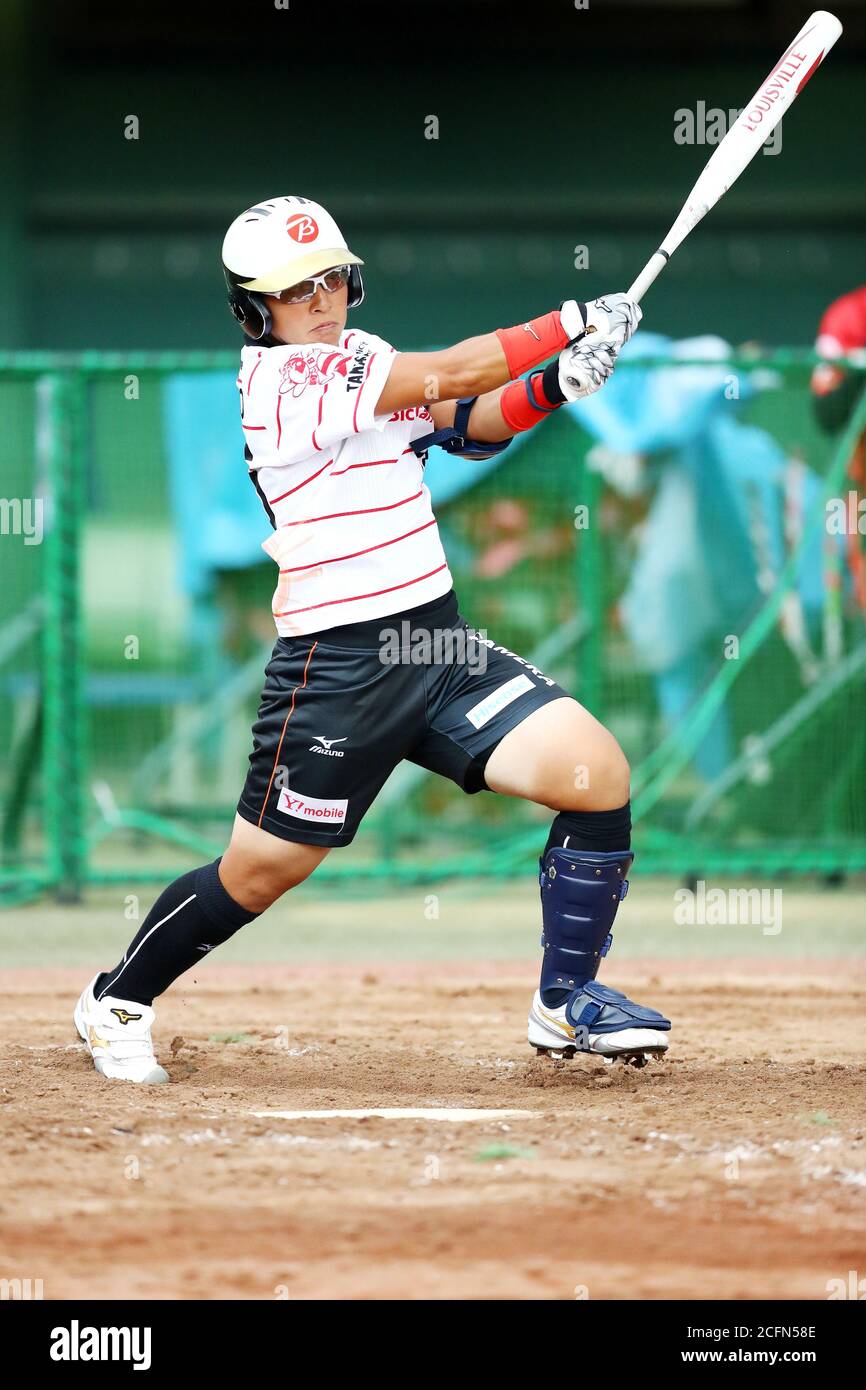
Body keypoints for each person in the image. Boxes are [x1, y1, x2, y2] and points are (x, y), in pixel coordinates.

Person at [73, 195, 670, 1083]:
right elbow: (460, 371)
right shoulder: (281, 386)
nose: (320, 301)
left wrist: (561, 384)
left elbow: (469, 424)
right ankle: (117, 998)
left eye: (333, 281)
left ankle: (566, 1002)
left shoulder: (363, 359)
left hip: (435, 645)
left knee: (597, 774)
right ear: (253, 309)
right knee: (264, 870)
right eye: (294, 290)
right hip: (337, 666)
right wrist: (570, 320)